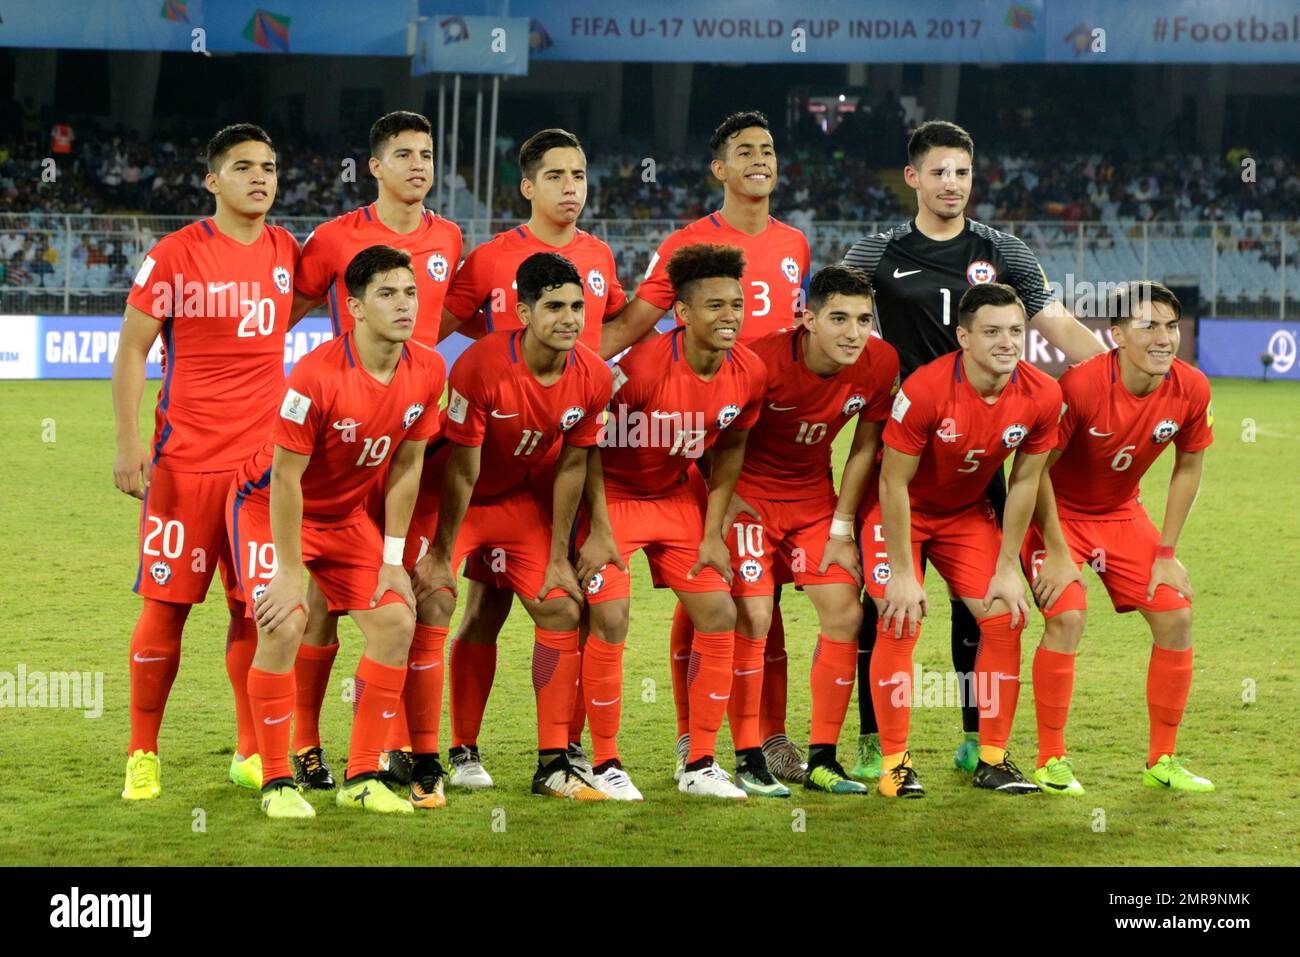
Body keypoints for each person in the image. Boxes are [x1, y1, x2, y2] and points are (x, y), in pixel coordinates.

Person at [841, 119, 1105, 780]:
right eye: (938, 172)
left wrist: (1112, 381)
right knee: (886, 604)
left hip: (984, 448)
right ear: (913, 179)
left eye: (962, 172)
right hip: (905, 444)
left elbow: (1053, 320)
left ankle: (974, 739)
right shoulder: (876, 252)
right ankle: (878, 742)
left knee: (978, 604)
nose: (951, 184)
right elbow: (826, 316)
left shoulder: (1004, 251)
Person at [601, 109, 814, 783]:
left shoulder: (795, 245)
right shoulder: (689, 242)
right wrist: (566, 373)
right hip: (683, 434)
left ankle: (757, 737)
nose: (761, 159)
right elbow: (638, 320)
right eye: (744, 151)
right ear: (719, 168)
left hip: (760, 437)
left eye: (769, 149)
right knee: (723, 592)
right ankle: (693, 742)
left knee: (759, 596)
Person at [431, 129, 627, 789]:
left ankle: (561, 753)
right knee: (476, 608)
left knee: (568, 599)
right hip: (483, 460)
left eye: (579, 174)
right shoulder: (492, 260)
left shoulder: (599, 258)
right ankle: (442, 749)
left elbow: (625, 323)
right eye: (556, 176)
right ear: (527, 185)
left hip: (558, 468)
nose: (571, 188)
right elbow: (431, 330)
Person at [226, 245, 444, 818]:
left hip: (346, 518)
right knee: (285, 622)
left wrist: (393, 558)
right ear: (355, 308)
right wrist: (291, 571)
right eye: (387, 294)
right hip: (269, 509)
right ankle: (276, 783)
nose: (405, 305)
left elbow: (406, 465)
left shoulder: (428, 369)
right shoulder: (316, 375)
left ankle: (363, 776)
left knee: (397, 619)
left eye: (411, 292)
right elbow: (286, 479)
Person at [114, 123, 299, 800]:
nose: (261, 177)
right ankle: (143, 752)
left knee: (258, 611)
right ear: (212, 180)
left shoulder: (287, 250)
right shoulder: (175, 254)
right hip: (185, 463)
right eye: (244, 166)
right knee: (166, 607)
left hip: (261, 474)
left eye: (270, 167)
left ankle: (251, 751)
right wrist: (130, 440)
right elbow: (133, 347)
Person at [286, 110, 462, 791]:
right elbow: (289, 309)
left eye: (426, 153)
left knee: (409, 595)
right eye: (404, 154)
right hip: (338, 447)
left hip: (409, 444)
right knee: (323, 606)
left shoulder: (448, 236)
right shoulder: (334, 238)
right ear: (375, 167)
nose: (419, 165)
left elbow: (454, 316)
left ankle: (398, 751)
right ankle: (306, 745)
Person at [410, 252, 616, 802]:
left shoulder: (593, 376)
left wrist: (555, 555)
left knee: (560, 604)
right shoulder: (479, 364)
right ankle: (430, 756)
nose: (569, 318)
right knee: (434, 600)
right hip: (451, 499)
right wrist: (441, 552)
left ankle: (553, 764)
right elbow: (461, 467)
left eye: (577, 306)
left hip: (519, 502)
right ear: (523, 311)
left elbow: (575, 464)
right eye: (553, 307)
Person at [582, 243, 765, 800]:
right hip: (614, 496)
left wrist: (712, 530)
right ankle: (606, 761)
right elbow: (586, 444)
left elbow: (731, 447)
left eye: (735, 304)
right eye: (714, 306)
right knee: (610, 618)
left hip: (677, 495)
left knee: (719, 612)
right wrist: (596, 529)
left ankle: (700, 764)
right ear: (682, 314)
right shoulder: (639, 368)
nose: (729, 316)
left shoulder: (748, 372)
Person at [865, 283, 1061, 798]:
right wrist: (904, 574)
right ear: (964, 337)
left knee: (1005, 615)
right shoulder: (927, 390)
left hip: (966, 515)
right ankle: (894, 764)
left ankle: (992, 759)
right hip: (899, 513)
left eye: (1016, 330)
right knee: (899, 616)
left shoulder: (1043, 394)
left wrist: (1007, 566)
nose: (1007, 342)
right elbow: (893, 482)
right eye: (992, 331)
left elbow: (1024, 482)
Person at [1022, 281, 1214, 794]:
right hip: (1056, 516)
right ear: (1117, 334)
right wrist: (1058, 553)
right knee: (1067, 615)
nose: (1163, 338)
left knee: (1176, 614)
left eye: (1171, 326)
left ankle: (1163, 760)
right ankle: (1050, 759)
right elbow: (1035, 471)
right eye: (1148, 326)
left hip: (1122, 514)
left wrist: (1167, 553)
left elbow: (1189, 466)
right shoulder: (1080, 386)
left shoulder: (1192, 387)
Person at [723, 264, 899, 796]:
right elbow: (720, 430)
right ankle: (749, 755)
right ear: (808, 318)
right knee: (754, 613)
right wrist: (724, 500)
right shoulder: (759, 359)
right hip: (750, 498)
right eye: (839, 318)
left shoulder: (880, 362)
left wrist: (842, 527)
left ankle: (823, 757)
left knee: (846, 611)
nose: (853, 332)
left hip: (814, 501)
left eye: (864, 319)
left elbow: (866, 447)